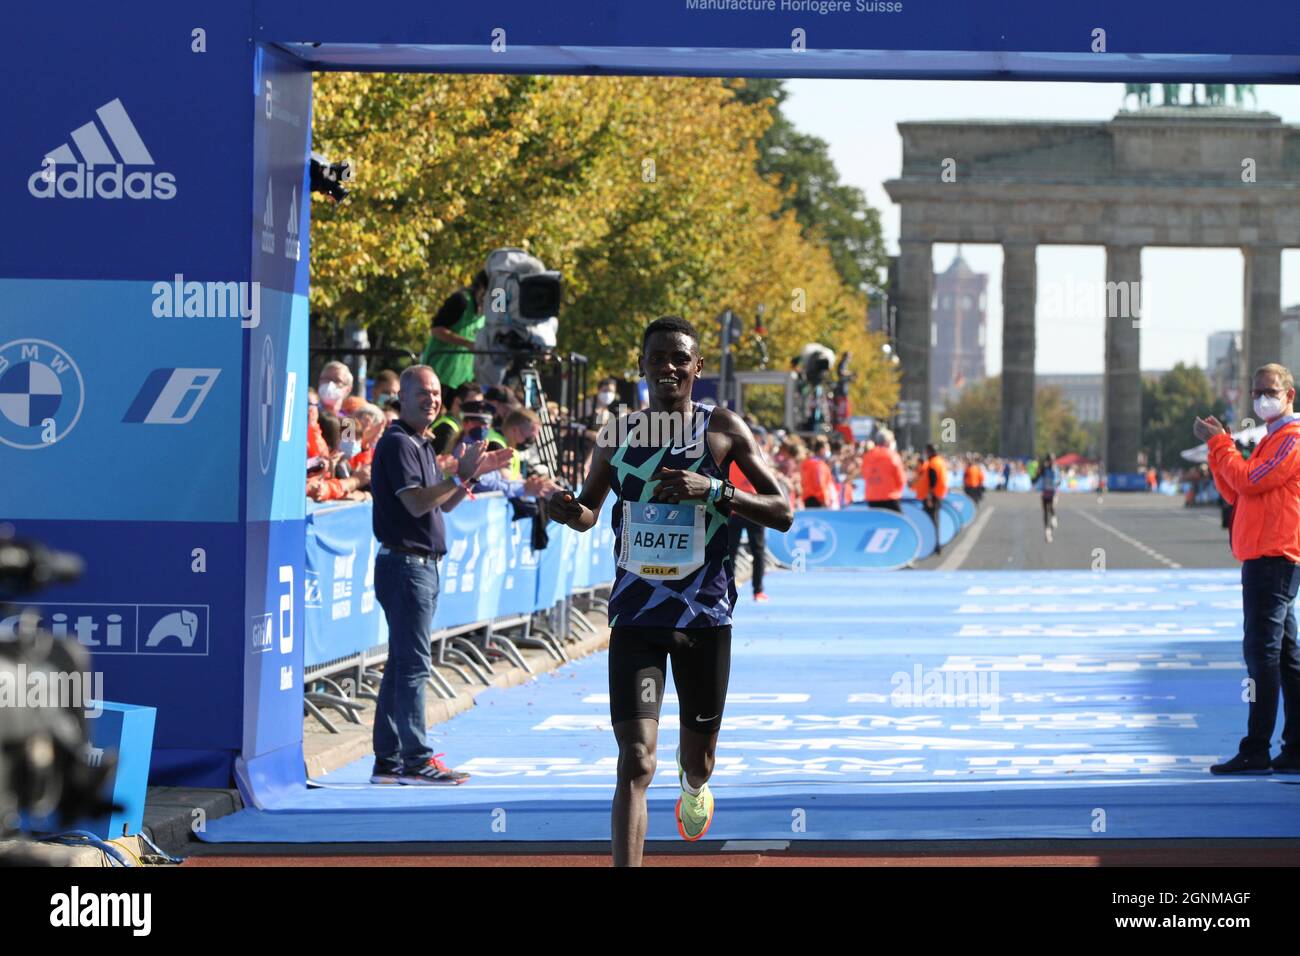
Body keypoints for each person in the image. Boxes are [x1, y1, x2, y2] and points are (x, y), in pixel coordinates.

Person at [546, 316, 793, 866]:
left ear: (697, 368)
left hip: (704, 618)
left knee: (698, 757)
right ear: (642, 366)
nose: (668, 367)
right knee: (635, 760)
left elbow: (783, 512)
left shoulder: (723, 428)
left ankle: (695, 782)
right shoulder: (618, 433)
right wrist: (566, 510)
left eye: (680, 358)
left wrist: (718, 489)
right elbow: (589, 510)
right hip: (636, 616)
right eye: (657, 357)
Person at [368, 366, 513, 785]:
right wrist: (457, 475)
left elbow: (442, 506)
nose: (431, 399)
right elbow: (415, 504)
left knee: (401, 664)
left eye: (435, 393)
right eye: (423, 393)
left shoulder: (421, 443)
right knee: (413, 665)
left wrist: (468, 474)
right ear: (403, 395)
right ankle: (415, 760)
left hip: (418, 566)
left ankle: (389, 758)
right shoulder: (398, 444)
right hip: (406, 566)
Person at [1198, 363, 1300, 775]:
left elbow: (1250, 482)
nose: (1262, 397)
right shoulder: (1271, 439)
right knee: (1285, 657)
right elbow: (1234, 488)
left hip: (1273, 556)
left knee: (1261, 656)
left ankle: (1257, 748)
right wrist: (1216, 449)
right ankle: (1295, 747)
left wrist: (1221, 444)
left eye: (1270, 390)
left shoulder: (1290, 441)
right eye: (1257, 391)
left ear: (1289, 394)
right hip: (1265, 554)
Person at [420, 270, 488, 392]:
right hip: (439, 376)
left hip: (465, 379)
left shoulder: (493, 306)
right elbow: (436, 330)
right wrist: (467, 343)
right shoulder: (460, 300)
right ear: (481, 288)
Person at [912, 444, 949, 554]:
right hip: (938, 495)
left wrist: (929, 496)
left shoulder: (932, 464)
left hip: (932, 496)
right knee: (934, 521)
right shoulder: (939, 461)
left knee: (931, 521)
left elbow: (932, 481)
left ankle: (934, 545)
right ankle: (935, 545)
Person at [861, 429, 906, 511]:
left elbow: (864, 475)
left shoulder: (867, 456)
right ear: (887, 442)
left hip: (872, 497)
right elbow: (901, 479)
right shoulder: (892, 456)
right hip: (890, 497)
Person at [800, 436, 837, 508]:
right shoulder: (819, 465)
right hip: (818, 500)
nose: (828, 451)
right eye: (827, 449)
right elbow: (820, 483)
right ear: (822, 450)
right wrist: (824, 499)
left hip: (807, 497)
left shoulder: (807, 462)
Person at [1036, 453, 1060, 541]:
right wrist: (1040, 468)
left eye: (1053, 460)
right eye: (1051, 460)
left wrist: (1056, 482)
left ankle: (1054, 517)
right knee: (1045, 511)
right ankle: (1047, 531)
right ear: (1048, 460)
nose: (1052, 462)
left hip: (1053, 492)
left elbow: (1059, 481)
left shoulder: (1056, 469)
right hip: (1045, 491)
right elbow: (1037, 476)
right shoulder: (1044, 469)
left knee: (1051, 507)